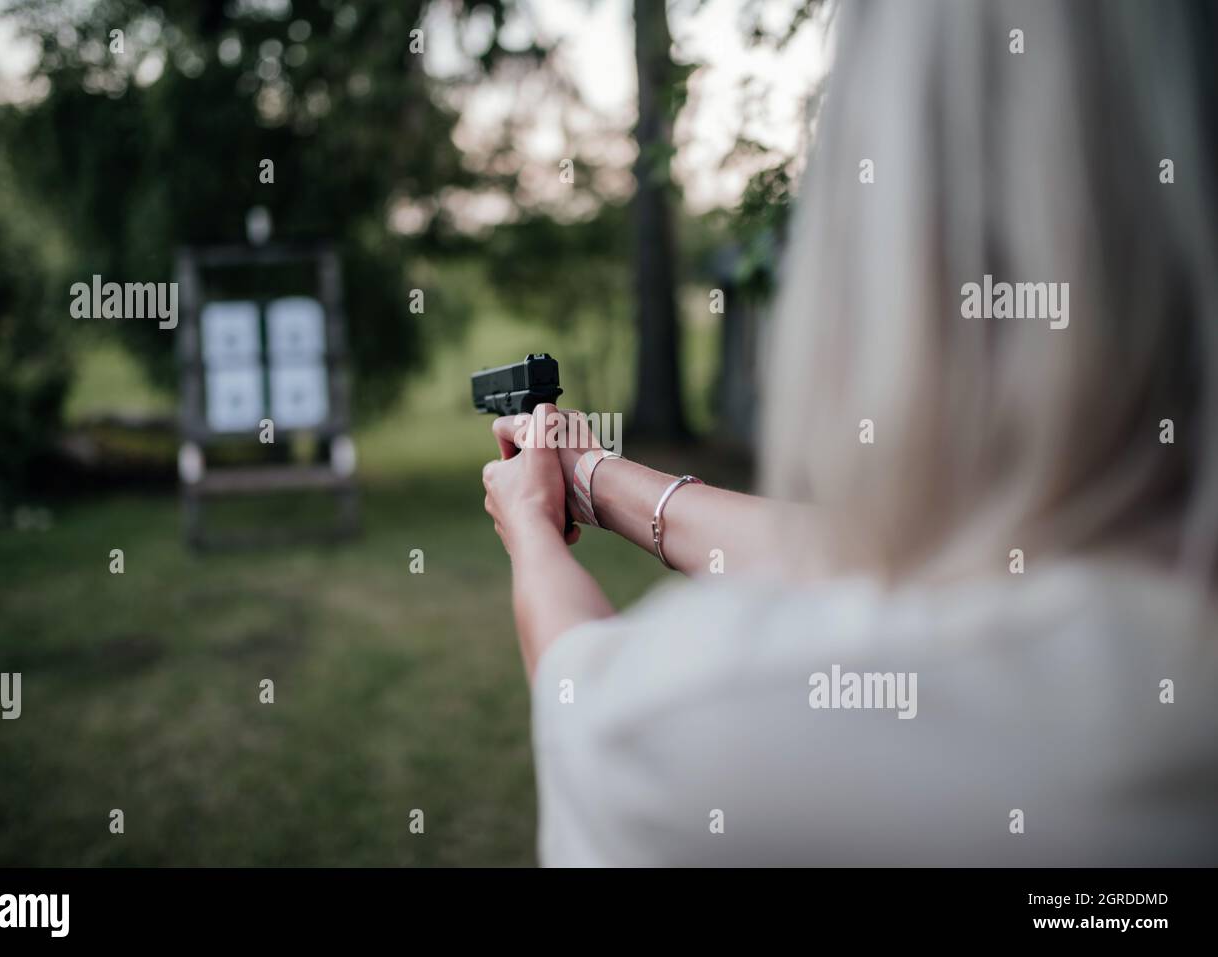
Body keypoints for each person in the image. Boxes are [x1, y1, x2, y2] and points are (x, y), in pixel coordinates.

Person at [481, 0, 1218, 866]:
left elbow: (586, 710)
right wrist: (591, 473)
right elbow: (867, 557)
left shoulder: (708, 719)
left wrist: (531, 529)